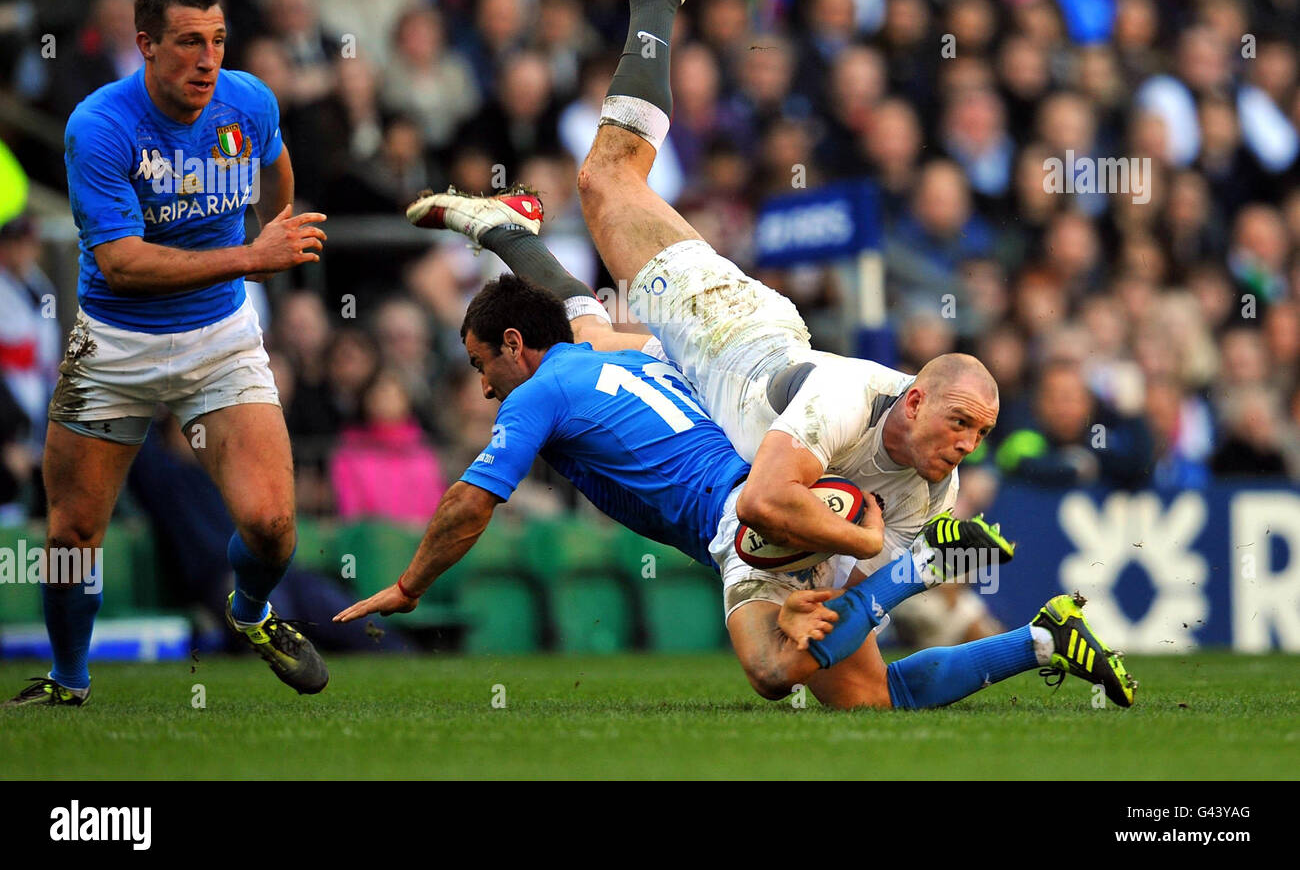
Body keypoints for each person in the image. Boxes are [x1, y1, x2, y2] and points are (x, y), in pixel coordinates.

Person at [406, 0, 1136, 707]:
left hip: (717, 426)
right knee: (605, 183)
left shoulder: (934, 494)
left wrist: (834, 597)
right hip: (727, 331)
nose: (967, 445)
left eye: (981, 435)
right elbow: (768, 504)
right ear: (916, 398)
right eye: (960, 422)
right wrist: (871, 555)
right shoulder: (845, 401)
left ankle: (1042, 638)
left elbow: (850, 598)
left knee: (859, 699)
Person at [334, 273, 1129, 709]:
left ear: (517, 346)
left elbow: (471, 502)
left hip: (743, 522)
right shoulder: (624, 348)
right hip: (766, 487)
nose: (483, 387)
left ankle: (925, 570)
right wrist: (502, 229)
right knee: (876, 704)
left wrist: (409, 587)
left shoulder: (540, 391)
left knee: (776, 673)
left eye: (483, 366)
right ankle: (1042, 641)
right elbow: (570, 296)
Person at [6, 0, 329, 708]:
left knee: (273, 525)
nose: (207, 59)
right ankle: (68, 679)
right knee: (69, 538)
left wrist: (276, 230)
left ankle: (249, 612)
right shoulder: (100, 125)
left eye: (217, 41)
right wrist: (254, 256)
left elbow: (276, 160)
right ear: (145, 45)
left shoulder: (248, 102)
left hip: (219, 337)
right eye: (188, 43)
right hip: (114, 345)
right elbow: (120, 265)